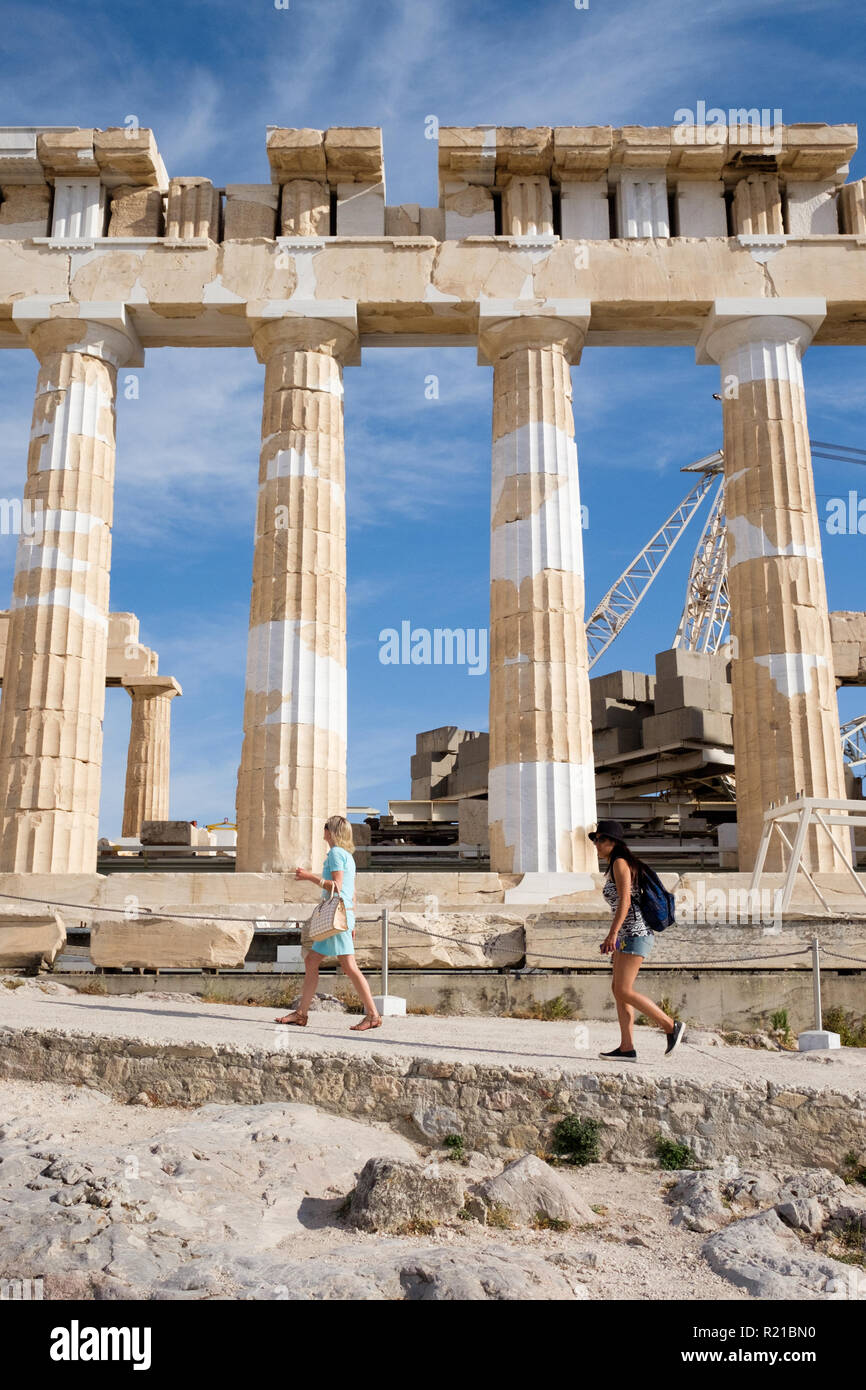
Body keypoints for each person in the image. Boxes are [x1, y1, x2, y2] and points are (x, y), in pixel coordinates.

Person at [276, 815, 382, 1032]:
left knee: (349, 966)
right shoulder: (347, 856)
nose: (322, 830)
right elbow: (349, 892)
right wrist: (351, 922)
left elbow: (337, 885)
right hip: (341, 917)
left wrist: (308, 876)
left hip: (335, 918)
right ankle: (301, 1014)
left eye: (325, 827)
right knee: (312, 961)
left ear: (331, 831)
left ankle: (372, 1014)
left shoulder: (335, 854)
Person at [589, 819, 683, 1061]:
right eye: (596, 840)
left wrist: (611, 934)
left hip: (635, 934)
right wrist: (614, 936)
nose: (596, 845)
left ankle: (670, 1026)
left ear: (613, 842)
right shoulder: (616, 865)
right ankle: (626, 1047)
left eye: (600, 840)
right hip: (626, 935)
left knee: (623, 989)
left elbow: (625, 902)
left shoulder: (620, 863)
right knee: (618, 990)